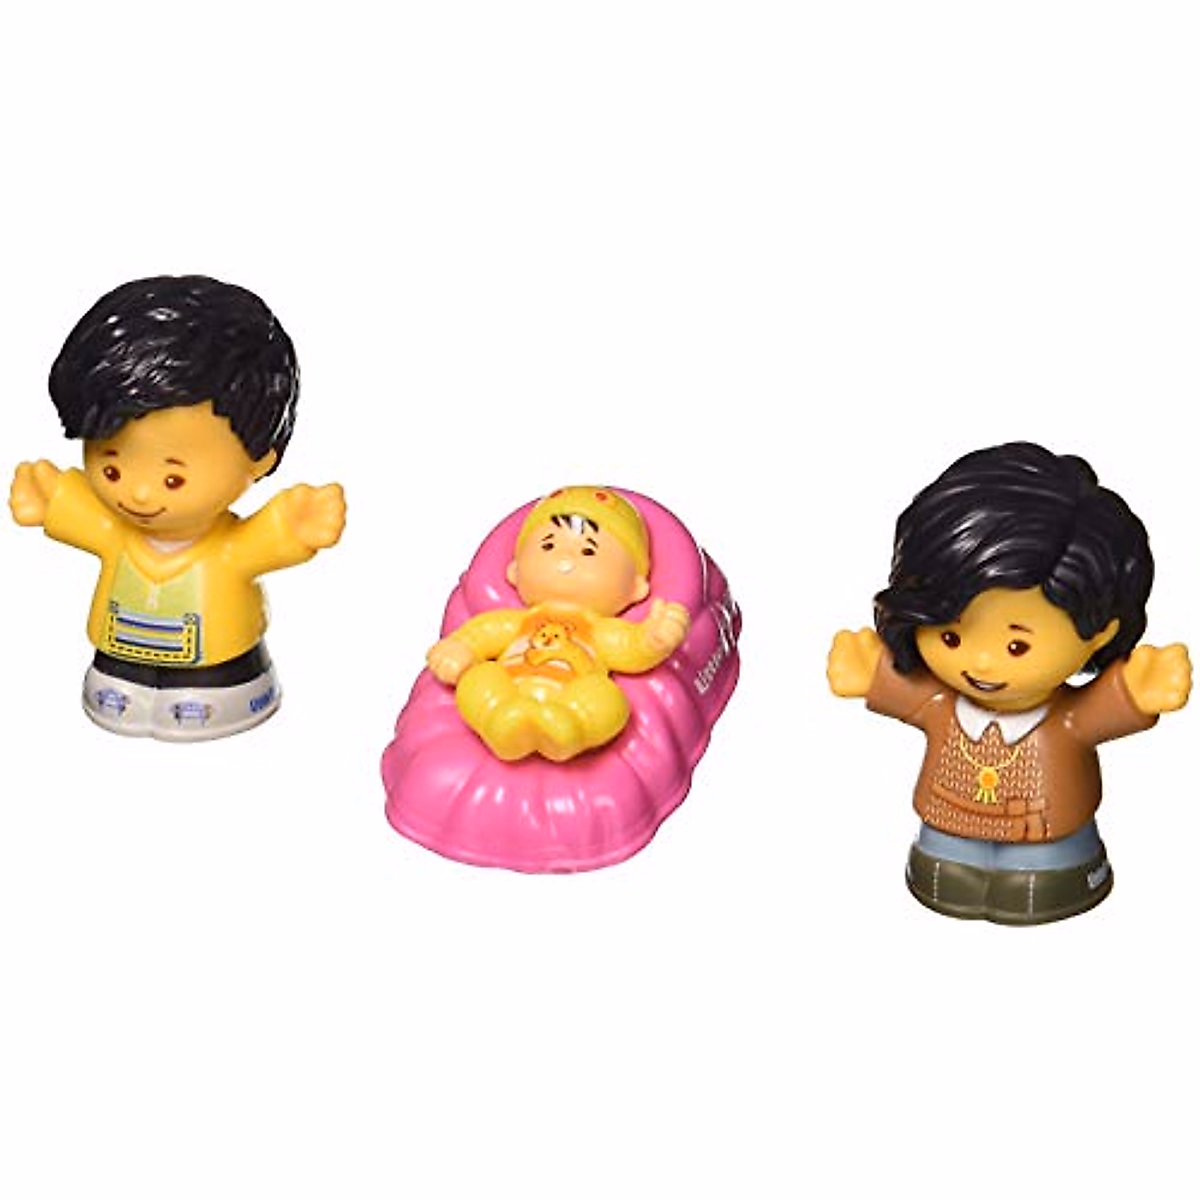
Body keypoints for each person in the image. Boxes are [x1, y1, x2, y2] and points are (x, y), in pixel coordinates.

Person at [826, 442, 1191, 924]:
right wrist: (871, 672)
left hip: (1048, 830)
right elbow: (909, 693)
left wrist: (1136, 691)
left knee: (1042, 878)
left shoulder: (1064, 720)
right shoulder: (941, 701)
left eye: (1017, 646)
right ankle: (951, 864)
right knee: (945, 870)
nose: (981, 662)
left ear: (1101, 630)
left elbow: (1095, 714)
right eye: (951, 637)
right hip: (947, 821)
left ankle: (1048, 870)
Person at [9, 275, 346, 740]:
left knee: (210, 688)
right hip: (118, 658)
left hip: (220, 668)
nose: (139, 495)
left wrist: (296, 526)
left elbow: (263, 540)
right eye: (111, 469)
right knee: (118, 685)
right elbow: (79, 512)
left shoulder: (228, 548)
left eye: (173, 479)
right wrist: (50, 498)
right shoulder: (114, 529)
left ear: (259, 459)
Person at [427, 486, 689, 761]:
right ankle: (500, 721)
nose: (566, 560)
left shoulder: (599, 630)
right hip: (507, 692)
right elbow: (482, 633)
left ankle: (570, 727)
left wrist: (654, 639)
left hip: (569, 700)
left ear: (635, 588)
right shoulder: (518, 622)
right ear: (515, 570)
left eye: (588, 551)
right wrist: (458, 648)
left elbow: (631, 646)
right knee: (478, 678)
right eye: (548, 546)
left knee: (608, 699)